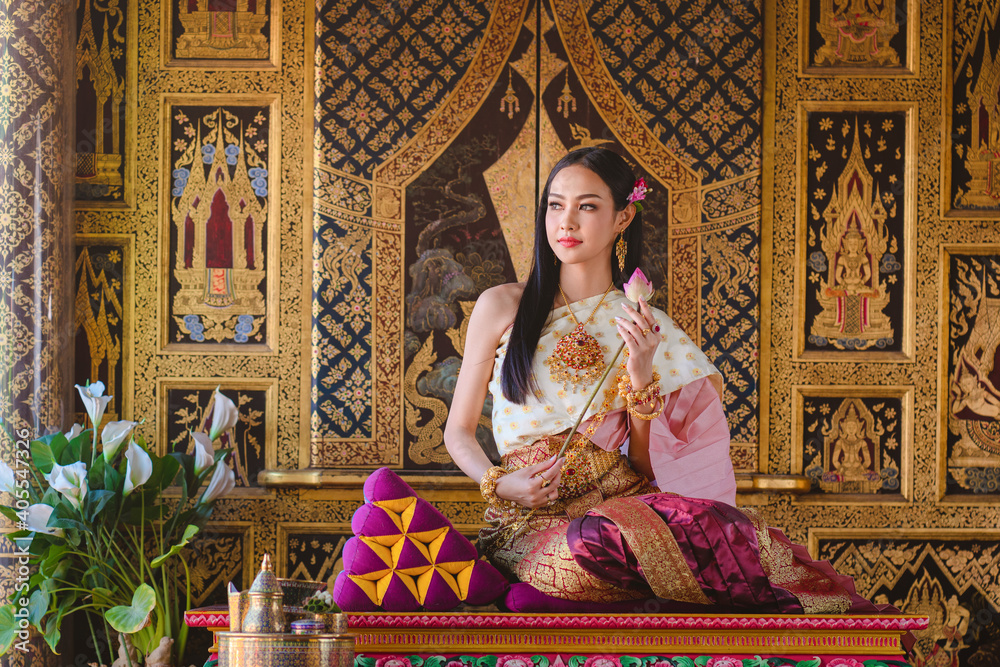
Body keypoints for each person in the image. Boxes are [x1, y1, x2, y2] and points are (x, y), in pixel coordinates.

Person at [444, 147, 882, 613]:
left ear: (622, 217)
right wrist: (498, 483)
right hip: (529, 524)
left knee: (700, 524)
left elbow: (648, 470)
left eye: (587, 206)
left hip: (623, 504)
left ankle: (832, 619)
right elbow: (459, 432)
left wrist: (640, 378)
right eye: (556, 205)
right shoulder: (502, 306)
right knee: (598, 544)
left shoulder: (649, 329)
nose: (566, 222)